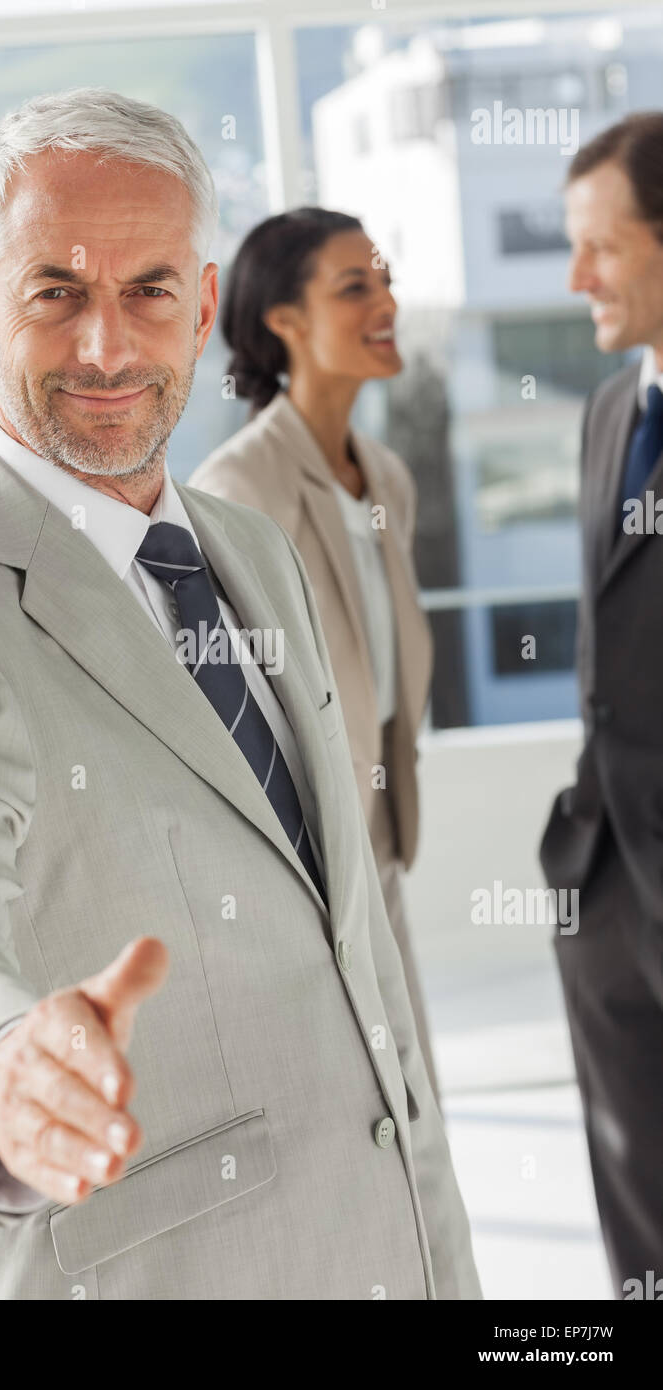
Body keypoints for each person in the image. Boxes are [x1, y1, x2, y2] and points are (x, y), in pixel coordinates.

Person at [0, 88, 479, 1301]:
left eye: (148, 291)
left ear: (204, 304)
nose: (105, 347)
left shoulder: (248, 548)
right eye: (53, 291)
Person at [189, 209, 439, 1100]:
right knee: (358, 1094)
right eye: (355, 287)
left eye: (385, 280)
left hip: (380, 823)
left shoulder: (386, 478)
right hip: (307, 845)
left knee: (415, 1091)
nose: (387, 303)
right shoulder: (238, 490)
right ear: (284, 322)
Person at [540, 111, 663, 1298]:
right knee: (636, 1219)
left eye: (600, 246)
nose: (573, 276)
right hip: (604, 879)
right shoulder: (606, 413)